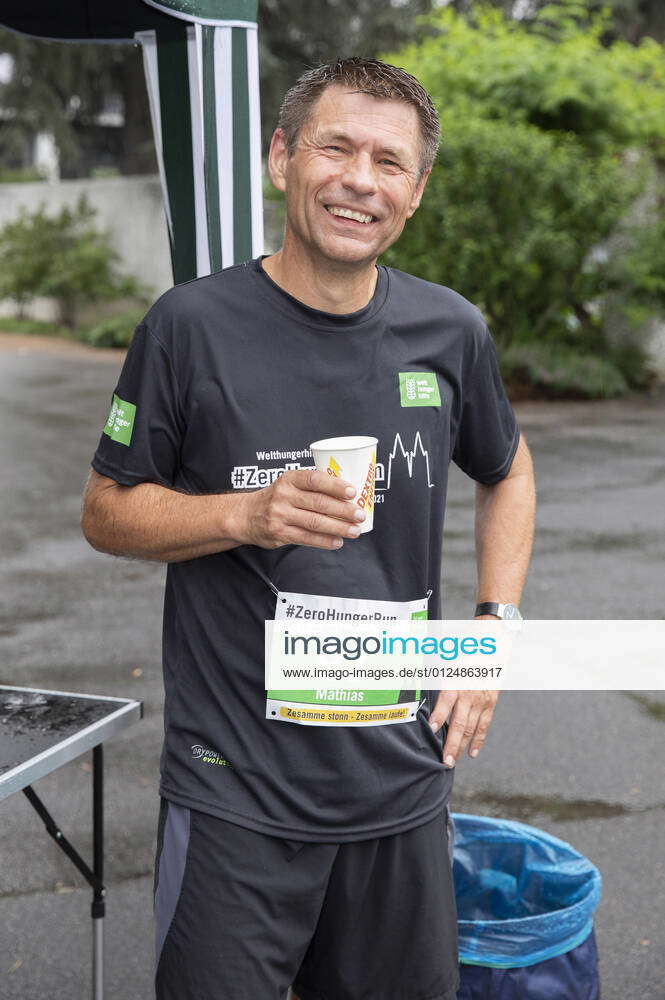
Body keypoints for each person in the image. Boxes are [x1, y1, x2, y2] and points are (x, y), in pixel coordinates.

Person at [82, 57, 535, 1000]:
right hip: (234, 791)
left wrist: (491, 633)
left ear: (414, 192)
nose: (358, 180)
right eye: (335, 147)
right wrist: (242, 512)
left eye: (387, 161)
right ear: (283, 158)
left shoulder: (448, 332)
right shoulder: (189, 326)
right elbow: (107, 512)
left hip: (400, 784)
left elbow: (508, 469)